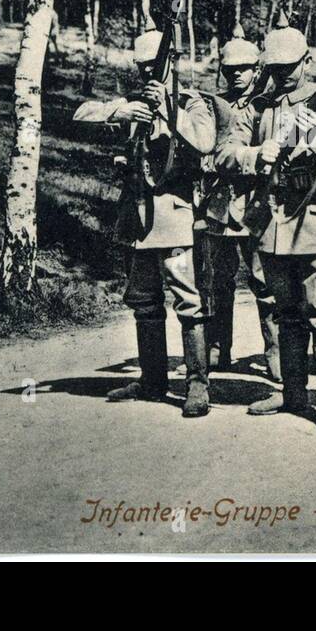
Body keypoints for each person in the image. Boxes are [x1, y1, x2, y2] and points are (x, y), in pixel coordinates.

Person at [216, 16, 316, 435]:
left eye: (289, 68)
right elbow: (223, 152)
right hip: (272, 222)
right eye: (274, 69)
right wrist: (257, 154)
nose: (281, 76)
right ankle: (293, 392)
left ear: (308, 60)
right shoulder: (258, 108)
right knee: (285, 313)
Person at [74, 24, 217, 417]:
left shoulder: (191, 103)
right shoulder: (134, 103)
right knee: (144, 303)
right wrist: (119, 110)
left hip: (174, 218)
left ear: (170, 62)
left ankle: (197, 385)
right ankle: (153, 381)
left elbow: (205, 142)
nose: (147, 73)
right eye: (141, 67)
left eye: (154, 65)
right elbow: (80, 113)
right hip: (137, 222)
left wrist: (169, 112)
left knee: (188, 302)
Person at [197, 26, 280, 378]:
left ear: (257, 69)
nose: (236, 75)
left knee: (266, 280)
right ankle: (219, 347)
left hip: (259, 203)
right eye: (230, 70)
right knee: (218, 280)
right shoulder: (212, 104)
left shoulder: (269, 104)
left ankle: (275, 351)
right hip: (221, 202)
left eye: (243, 69)